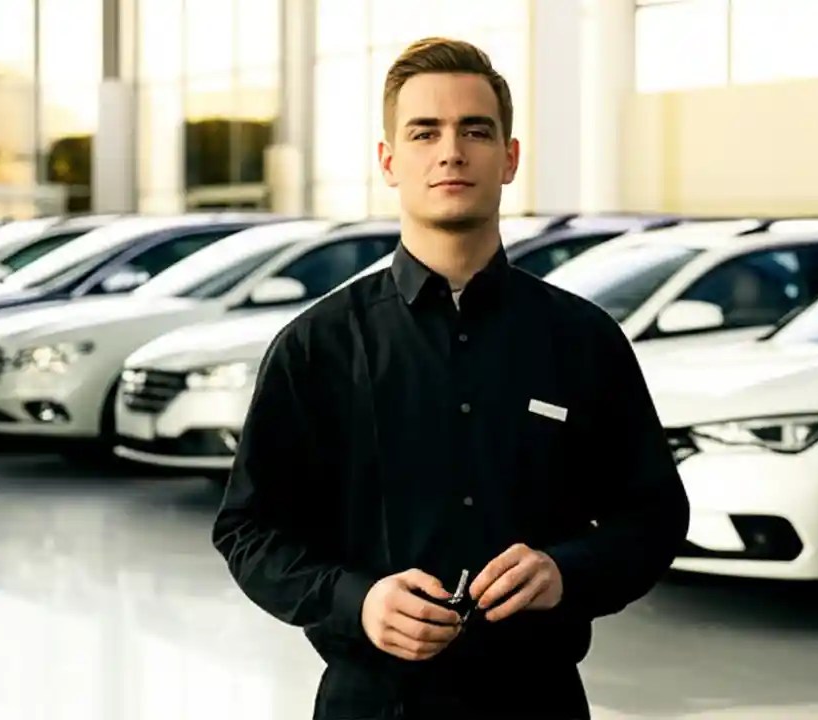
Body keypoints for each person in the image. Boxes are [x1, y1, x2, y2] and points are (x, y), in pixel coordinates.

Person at [212, 36, 690, 720]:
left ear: (509, 158)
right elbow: (250, 529)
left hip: (539, 703)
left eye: (475, 130)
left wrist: (566, 572)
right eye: (424, 132)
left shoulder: (582, 340)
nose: (451, 151)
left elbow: (654, 516)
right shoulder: (317, 346)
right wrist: (358, 601)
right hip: (372, 705)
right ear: (389, 161)